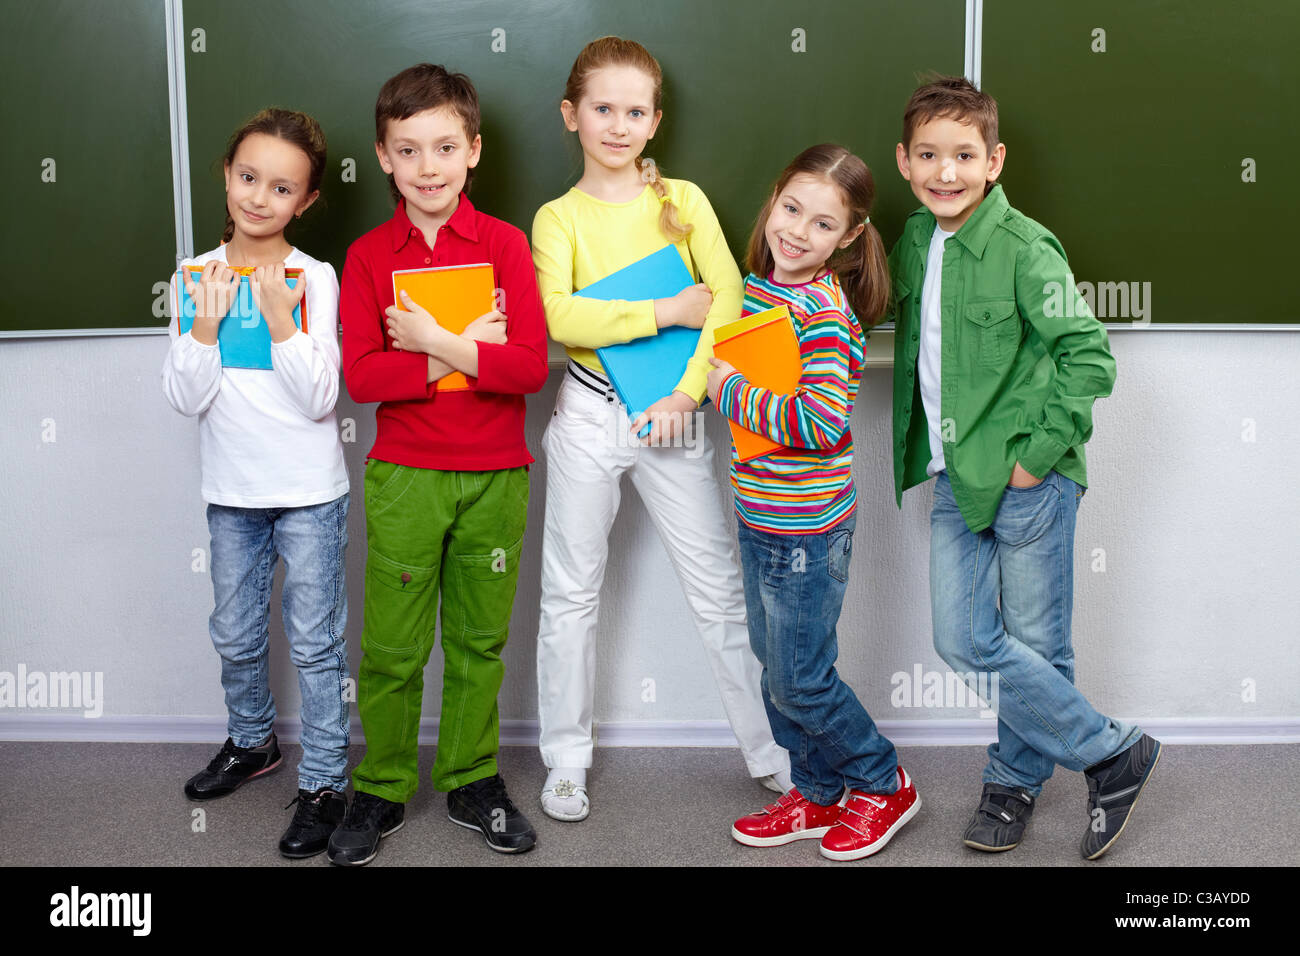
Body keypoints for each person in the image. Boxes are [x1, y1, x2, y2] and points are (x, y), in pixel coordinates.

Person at [890, 75, 1160, 860]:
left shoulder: (1024, 246)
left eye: (964, 156)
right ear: (905, 162)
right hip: (951, 472)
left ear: (994, 160)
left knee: (1039, 645)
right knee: (962, 637)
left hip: (1025, 478)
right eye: (930, 156)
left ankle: (1011, 782)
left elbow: (1088, 355)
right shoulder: (912, 239)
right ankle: (1115, 752)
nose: (947, 172)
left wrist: (1036, 460)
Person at [531, 36, 790, 823]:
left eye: (634, 111)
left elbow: (731, 295)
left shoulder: (682, 201)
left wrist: (687, 393)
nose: (618, 124)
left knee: (718, 590)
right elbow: (557, 315)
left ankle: (772, 754)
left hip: (674, 414)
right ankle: (566, 763)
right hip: (586, 413)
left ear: (655, 121)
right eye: (602, 109)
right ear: (572, 116)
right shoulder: (557, 217)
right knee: (569, 594)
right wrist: (660, 312)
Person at [328, 63, 548, 864]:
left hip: (497, 473)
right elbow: (363, 377)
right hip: (405, 477)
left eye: (445, 147)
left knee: (480, 641)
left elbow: (527, 366)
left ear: (474, 150)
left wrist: (427, 343)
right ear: (383, 157)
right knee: (391, 648)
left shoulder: (505, 246)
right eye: (409, 149)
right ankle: (382, 783)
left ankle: (470, 777)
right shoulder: (366, 257)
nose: (429, 168)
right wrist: (456, 353)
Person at [711, 145, 919, 861]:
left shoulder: (827, 315)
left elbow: (820, 422)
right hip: (758, 514)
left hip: (808, 529)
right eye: (791, 209)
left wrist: (728, 390)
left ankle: (881, 779)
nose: (797, 232)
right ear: (773, 200)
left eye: (823, 224)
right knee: (774, 669)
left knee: (802, 676)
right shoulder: (754, 290)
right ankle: (819, 790)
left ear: (850, 237)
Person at [162, 108, 351, 859]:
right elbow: (184, 397)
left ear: (303, 202)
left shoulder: (315, 277)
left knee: (315, 644)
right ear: (228, 176)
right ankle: (252, 742)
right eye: (248, 178)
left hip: (308, 494)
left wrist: (283, 322)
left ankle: (327, 780)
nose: (259, 197)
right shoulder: (192, 276)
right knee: (236, 635)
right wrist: (204, 326)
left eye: (281, 187)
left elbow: (319, 399)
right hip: (231, 495)